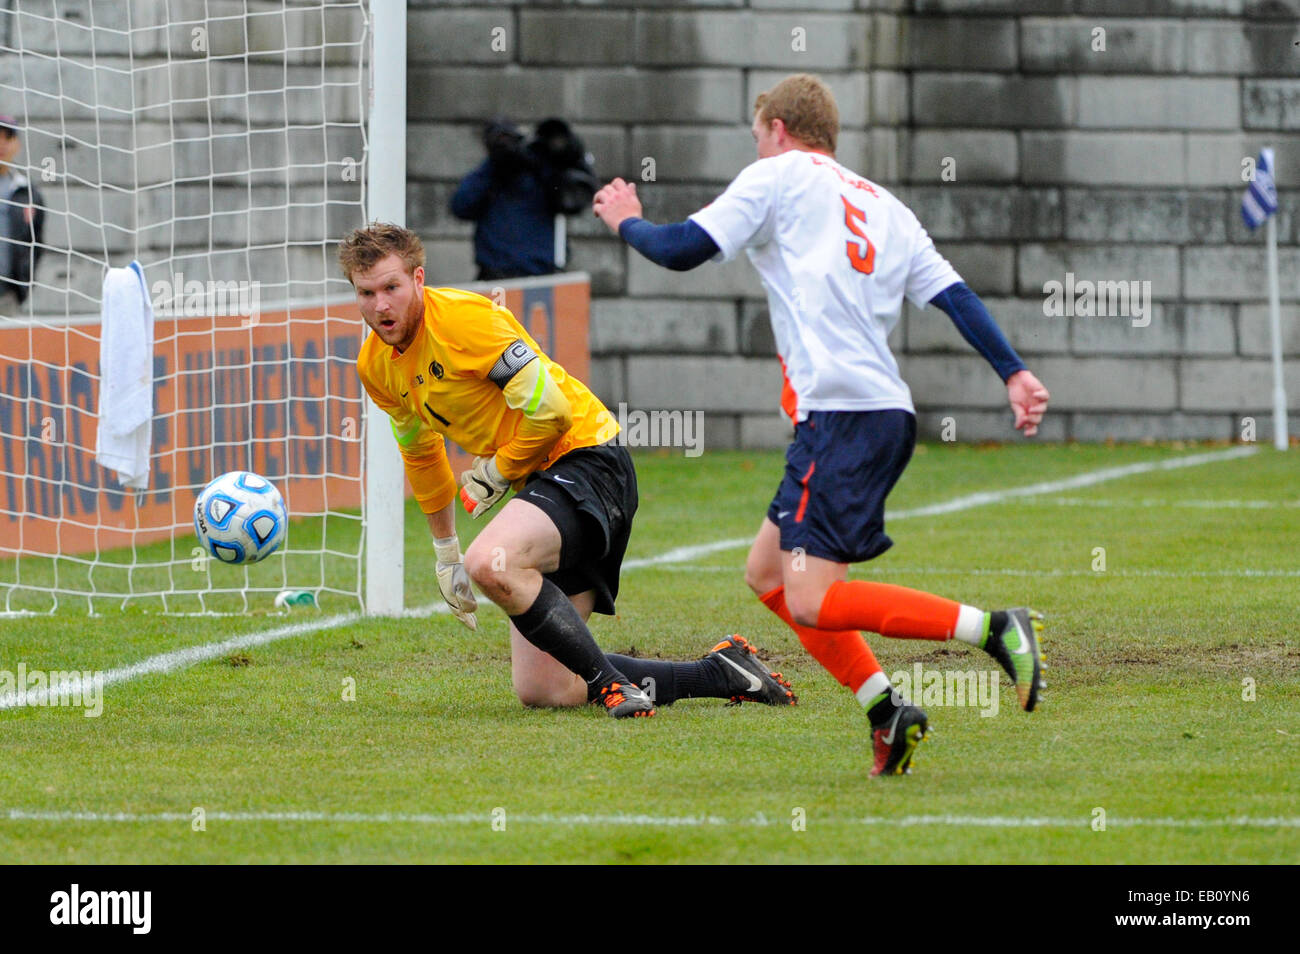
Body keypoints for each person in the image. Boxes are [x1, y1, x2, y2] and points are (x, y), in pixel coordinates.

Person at [595, 74, 1050, 774]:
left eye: (757, 138)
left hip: (842, 416)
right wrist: (1013, 371)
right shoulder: (884, 206)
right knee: (767, 574)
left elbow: (682, 247)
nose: (757, 149)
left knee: (810, 598)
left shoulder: (776, 176)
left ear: (777, 129)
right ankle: (887, 710)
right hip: (877, 414)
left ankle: (992, 629)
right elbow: (953, 296)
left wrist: (625, 216)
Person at [340, 223, 796, 718]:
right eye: (366, 293)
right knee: (547, 688)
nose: (380, 306)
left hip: (587, 455)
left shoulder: (464, 323)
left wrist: (498, 469)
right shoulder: (375, 366)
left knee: (490, 559)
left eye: (392, 287)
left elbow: (553, 411)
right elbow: (422, 451)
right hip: (541, 484)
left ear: (418, 279)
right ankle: (722, 672)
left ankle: (613, 687)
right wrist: (445, 552)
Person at [449, 117, 597, 281]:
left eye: (510, 140)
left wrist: (539, 161)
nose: (507, 147)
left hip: (543, 273)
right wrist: (493, 165)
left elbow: (577, 196)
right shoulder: (489, 175)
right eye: (500, 141)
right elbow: (460, 207)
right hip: (496, 274)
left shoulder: (540, 170)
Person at [0, 115, 45, 311]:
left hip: (8, 296)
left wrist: (24, 284)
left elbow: (36, 244)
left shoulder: (27, 193)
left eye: (8, 137)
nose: (1, 144)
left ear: (16, 144)